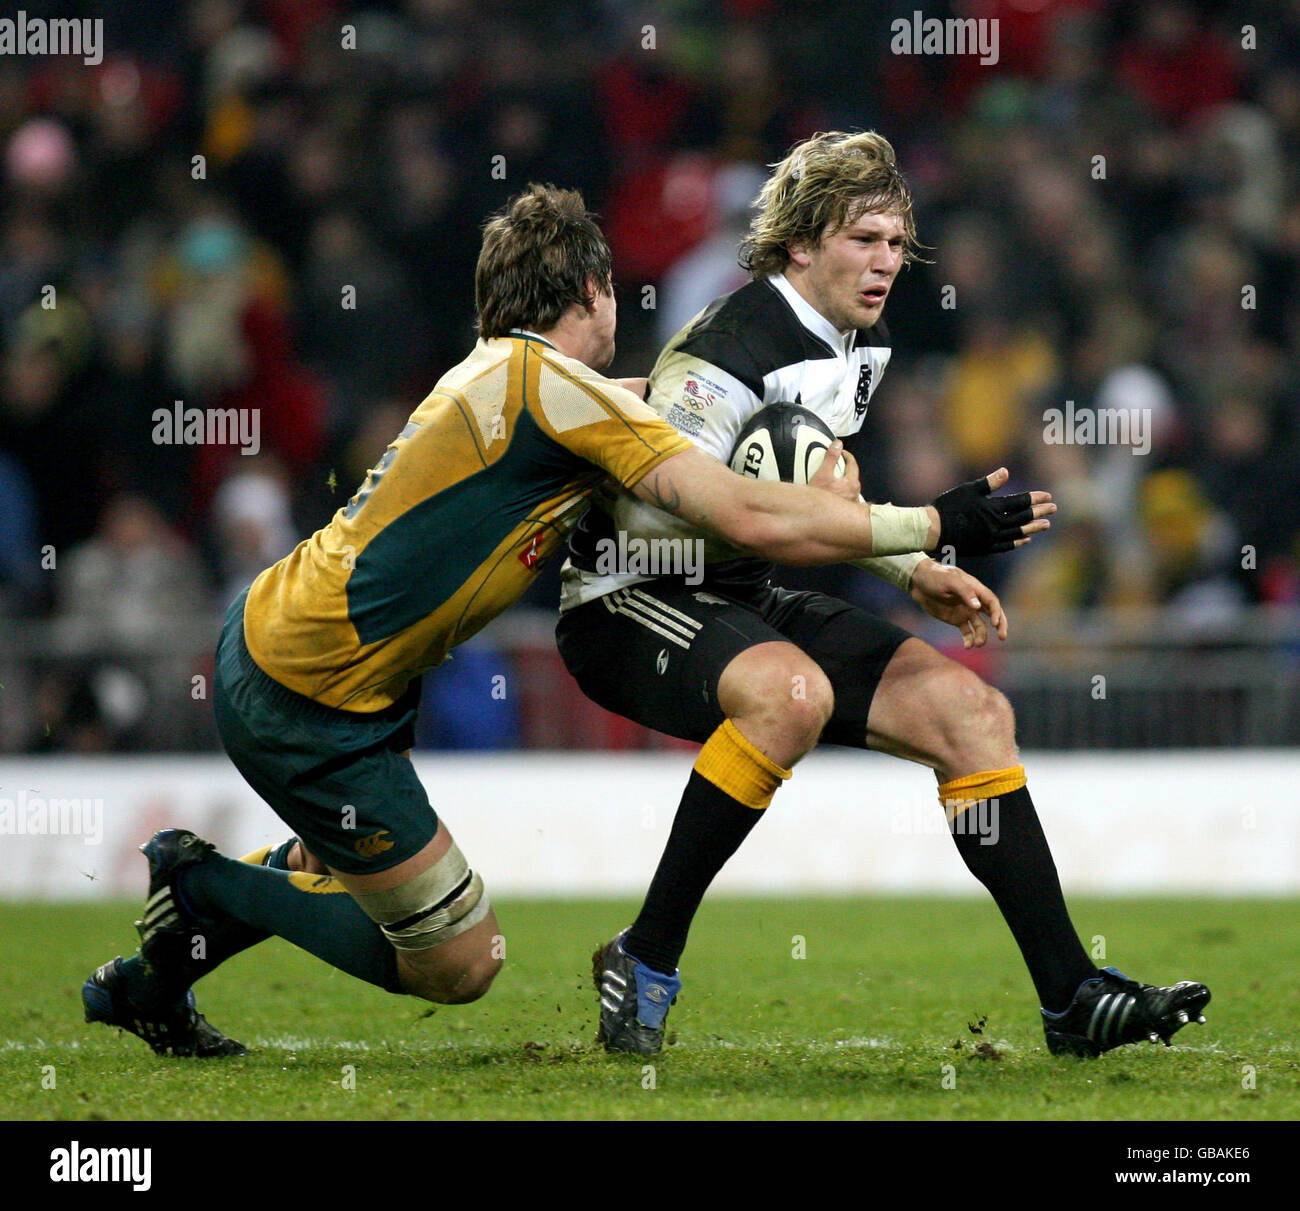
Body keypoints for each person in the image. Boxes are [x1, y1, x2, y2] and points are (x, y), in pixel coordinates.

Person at [82, 183, 1037, 1056]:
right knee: (461, 961)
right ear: (593, 288)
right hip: (304, 693)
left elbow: (701, 425)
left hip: (307, 662)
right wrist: (934, 524)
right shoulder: (556, 390)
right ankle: (199, 880)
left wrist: (905, 566)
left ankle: (148, 985)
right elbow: (741, 507)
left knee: (342, 859)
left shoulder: (510, 379)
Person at [555, 132, 1210, 1058]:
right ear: (799, 244)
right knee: (791, 694)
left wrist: (915, 569)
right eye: (864, 239)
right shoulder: (722, 350)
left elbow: (821, 506)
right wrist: (930, 525)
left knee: (970, 711)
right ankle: (646, 955)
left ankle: (1071, 996)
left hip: (740, 595)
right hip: (626, 598)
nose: (886, 263)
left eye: (898, 244)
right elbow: (662, 513)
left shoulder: (867, 346)